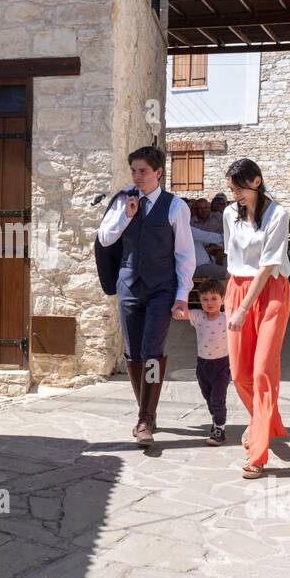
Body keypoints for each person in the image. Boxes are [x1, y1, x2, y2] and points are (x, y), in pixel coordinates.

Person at [96, 145, 195, 445]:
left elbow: (185, 255)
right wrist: (126, 216)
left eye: (143, 171)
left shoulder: (175, 206)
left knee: (152, 351)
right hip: (128, 286)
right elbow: (104, 238)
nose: (137, 177)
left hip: (160, 289)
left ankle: (145, 420)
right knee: (133, 353)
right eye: (134, 171)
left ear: (159, 173)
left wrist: (182, 295)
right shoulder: (123, 201)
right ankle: (146, 411)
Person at [222, 158, 290, 478]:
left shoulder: (277, 215)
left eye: (239, 188)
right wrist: (234, 301)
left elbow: (267, 265)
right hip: (237, 288)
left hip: (271, 292)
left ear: (256, 181)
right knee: (239, 374)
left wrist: (243, 308)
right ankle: (265, 421)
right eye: (231, 189)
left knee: (263, 369)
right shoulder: (228, 214)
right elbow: (233, 258)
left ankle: (258, 451)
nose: (234, 194)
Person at [173, 276, 230, 446]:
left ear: (223, 300)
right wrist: (177, 311)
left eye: (214, 298)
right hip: (203, 365)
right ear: (199, 301)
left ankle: (220, 429)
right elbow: (181, 314)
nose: (209, 302)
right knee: (208, 396)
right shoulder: (197, 316)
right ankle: (216, 421)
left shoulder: (226, 318)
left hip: (222, 365)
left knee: (217, 399)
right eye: (204, 299)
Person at [190, 198, 227, 279]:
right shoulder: (191, 223)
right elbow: (203, 236)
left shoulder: (218, 218)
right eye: (200, 208)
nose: (203, 211)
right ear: (196, 210)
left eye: (205, 208)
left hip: (220, 249)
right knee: (225, 274)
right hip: (202, 256)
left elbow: (227, 230)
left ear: (209, 208)